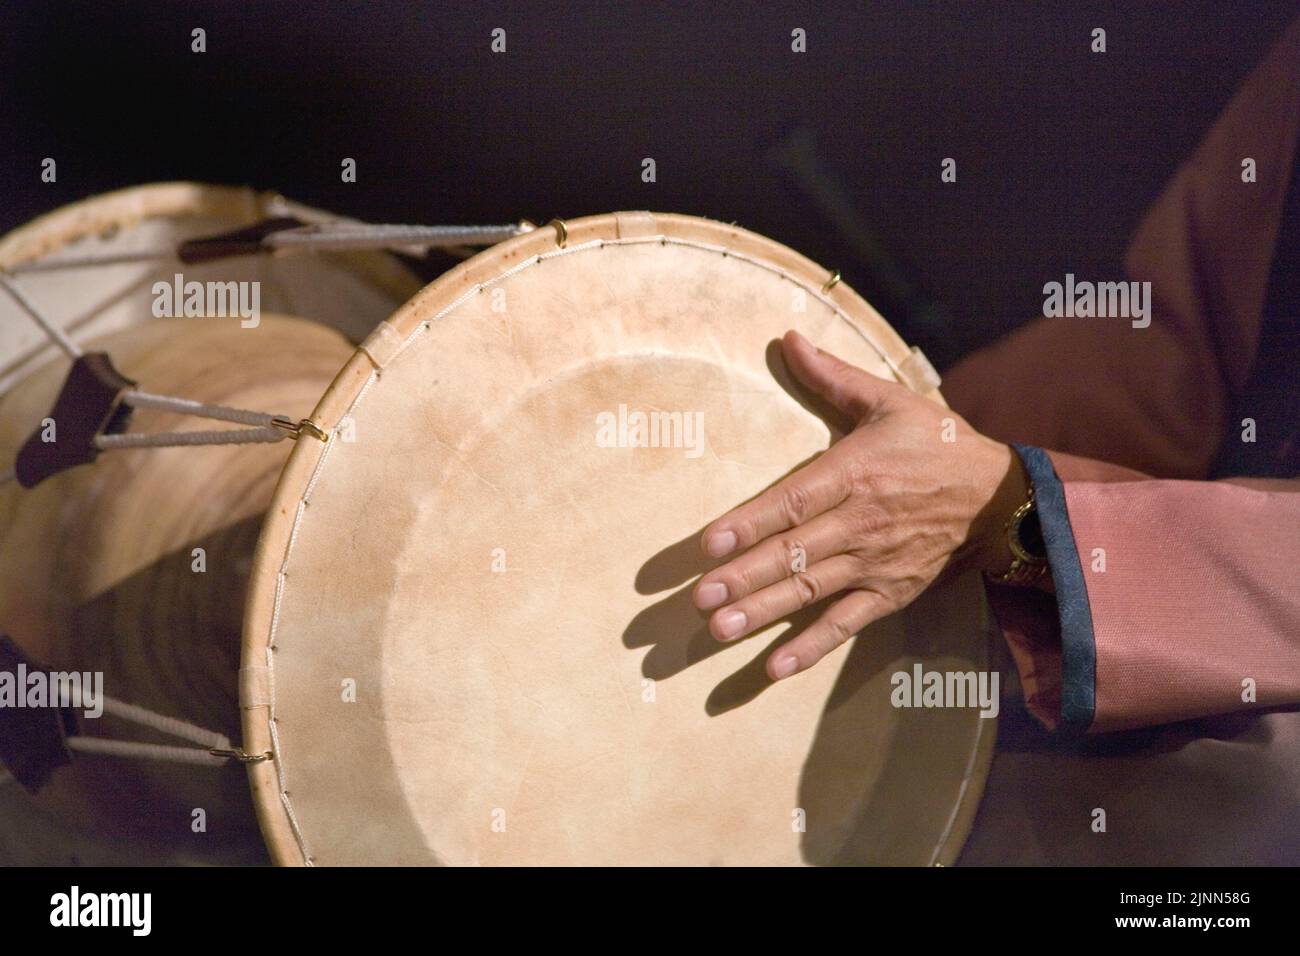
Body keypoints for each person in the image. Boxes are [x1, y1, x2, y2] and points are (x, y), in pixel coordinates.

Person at [692, 16, 1300, 863]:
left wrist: (1014, 508)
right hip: (1154, 559)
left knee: (1247, 797)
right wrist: (915, 425)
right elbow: (1174, 343)